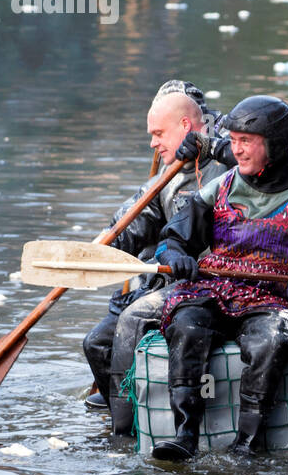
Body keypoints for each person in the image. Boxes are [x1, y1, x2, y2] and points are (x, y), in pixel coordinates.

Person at [151, 96, 288, 459]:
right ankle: (185, 434)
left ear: (277, 144)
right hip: (214, 289)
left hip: (276, 299)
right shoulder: (218, 189)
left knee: (270, 340)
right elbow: (174, 238)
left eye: (246, 142)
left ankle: (247, 445)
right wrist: (175, 256)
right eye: (232, 140)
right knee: (187, 325)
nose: (236, 151)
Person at [81, 83, 231, 420]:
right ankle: (127, 418)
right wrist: (93, 252)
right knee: (96, 344)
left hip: (215, 285)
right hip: (166, 281)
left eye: (159, 133)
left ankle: (155, 419)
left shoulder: (233, 161)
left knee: (140, 324)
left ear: (186, 126)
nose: (152, 142)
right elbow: (131, 224)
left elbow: (267, 157)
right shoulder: (168, 176)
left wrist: (210, 145)